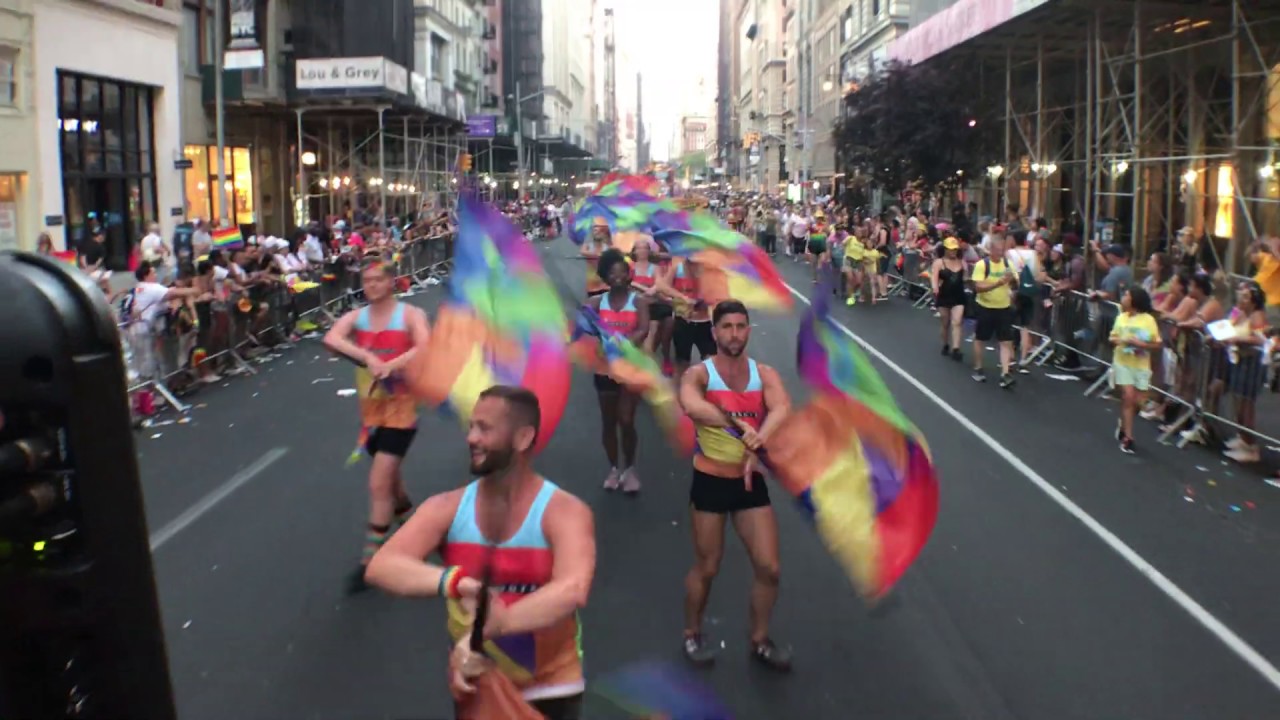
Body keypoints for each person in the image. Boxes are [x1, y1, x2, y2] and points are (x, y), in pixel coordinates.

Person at [365, 386, 595, 720]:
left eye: (484, 428)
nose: (471, 438)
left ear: (522, 438)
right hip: (475, 679)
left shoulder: (565, 511)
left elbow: (571, 588)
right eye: (471, 427)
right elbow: (382, 566)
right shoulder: (446, 508)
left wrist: (495, 624)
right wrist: (456, 582)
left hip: (550, 684)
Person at [677, 300, 792, 672]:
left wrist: (760, 438)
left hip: (748, 482)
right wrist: (734, 423)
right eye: (726, 327)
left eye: (741, 326)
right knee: (708, 567)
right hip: (710, 482)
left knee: (769, 568)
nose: (734, 334)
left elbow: (781, 407)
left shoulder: (765, 373)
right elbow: (692, 405)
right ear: (714, 333)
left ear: (749, 331)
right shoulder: (700, 373)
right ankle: (692, 632)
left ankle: (759, 640)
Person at [323, 258, 430, 591]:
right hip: (371, 414)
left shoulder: (410, 315)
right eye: (366, 281)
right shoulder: (358, 317)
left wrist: (394, 364)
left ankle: (372, 562)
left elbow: (427, 345)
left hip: (402, 410)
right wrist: (368, 358)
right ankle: (420, 535)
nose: (369, 286)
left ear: (390, 282)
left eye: (376, 281)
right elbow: (332, 338)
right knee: (392, 483)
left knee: (379, 482)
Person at [589, 248, 651, 493]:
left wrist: (622, 345)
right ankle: (614, 468)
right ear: (605, 276)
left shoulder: (639, 301)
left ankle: (631, 469)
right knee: (608, 422)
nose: (618, 278)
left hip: (631, 370)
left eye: (622, 273)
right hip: (604, 372)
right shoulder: (595, 302)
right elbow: (586, 330)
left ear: (629, 275)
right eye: (612, 274)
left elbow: (643, 329)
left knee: (626, 420)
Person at [1109, 287, 1162, 455]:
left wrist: (1142, 345)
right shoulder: (1121, 317)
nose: (1123, 297)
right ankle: (1129, 437)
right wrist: (1122, 340)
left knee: (1138, 402)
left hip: (1140, 365)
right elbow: (1112, 337)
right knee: (1128, 396)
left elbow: (1157, 343)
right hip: (1122, 361)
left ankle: (1124, 423)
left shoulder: (1148, 320)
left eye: (1126, 295)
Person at [970, 228, 1017, 388]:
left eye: (1002, 250)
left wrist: (1013, 283)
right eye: (997, 250)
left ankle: (1005, 373)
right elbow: (978, 287)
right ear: (990, 250)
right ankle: (978, 367)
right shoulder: (982, 265)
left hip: (1003, 308)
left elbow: (1015, 283)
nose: (1000, 253)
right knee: (981, 338)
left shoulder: (1007, 264)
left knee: (1005, 341)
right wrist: (997, 283)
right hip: (985, 307)